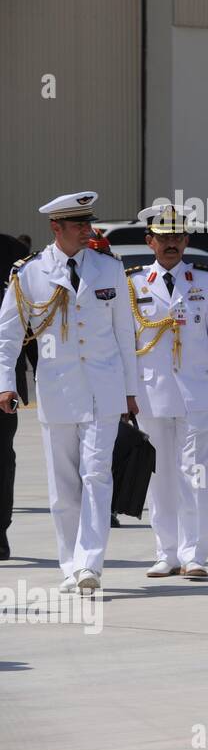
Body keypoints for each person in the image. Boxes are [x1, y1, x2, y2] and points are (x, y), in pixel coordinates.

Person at [0, 192, 139, 592]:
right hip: (58, 389)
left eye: (87, 223)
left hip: (104, 387)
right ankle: (69, 563)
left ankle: (90, 564)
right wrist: (6, 384)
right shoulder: (29, 273)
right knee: (63, 484)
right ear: (55, 228)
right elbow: (8, 335)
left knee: (96, 474)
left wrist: (131, 390)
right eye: (77, 225)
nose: (86, 230)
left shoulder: (108, 268)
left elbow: (124, 334)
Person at [126, 204, 208, 578]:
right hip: (151, 395)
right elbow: (127, 344)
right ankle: (166, 551)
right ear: (149, 241)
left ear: (186, 240)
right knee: (161, 476)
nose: (170, 244)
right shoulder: (134, 284)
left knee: (196, 474)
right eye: (163, 237)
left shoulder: (204, 282)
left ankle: (194, 554)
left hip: (197, 394)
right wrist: (128, 394)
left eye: (177, 237)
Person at [0, 231, 37, 561]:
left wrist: (46, 376)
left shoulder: (15, 255)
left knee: (1, 457)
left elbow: (37, 321)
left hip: (2, 380)